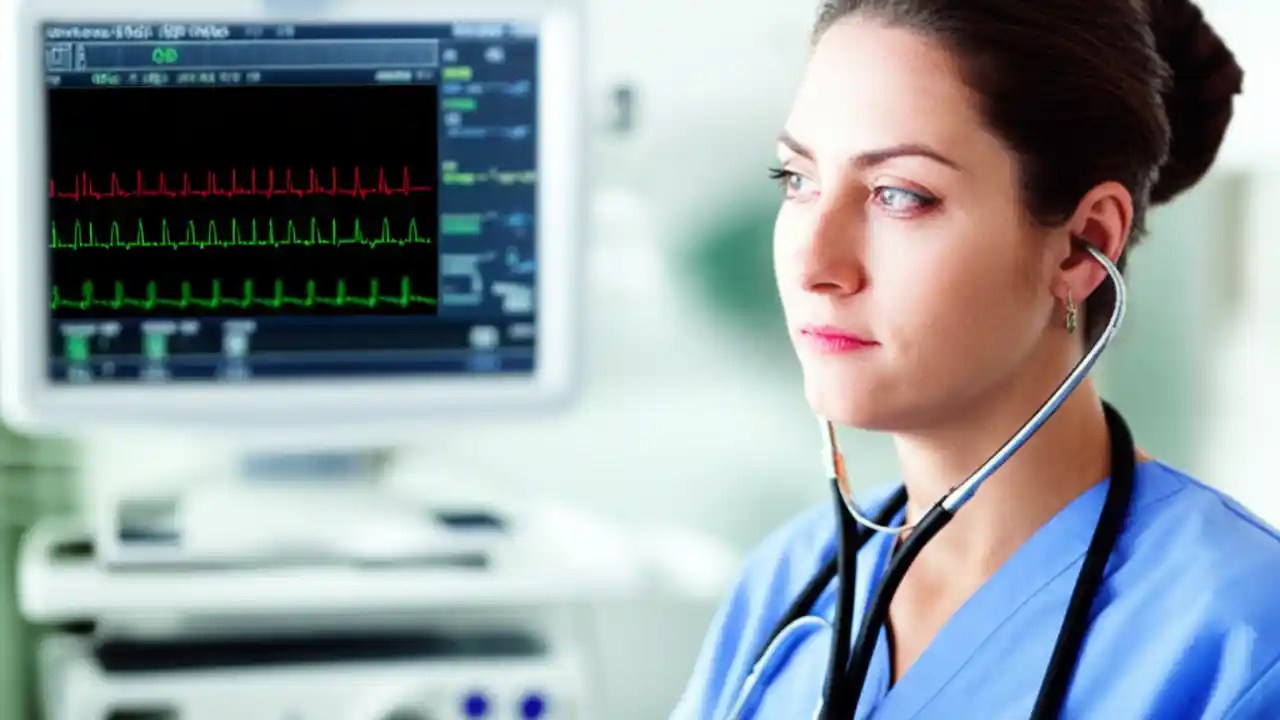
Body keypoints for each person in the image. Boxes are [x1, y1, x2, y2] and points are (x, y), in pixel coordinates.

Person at [671, 0, 1280, 718]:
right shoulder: (790, 581)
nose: (814, 264)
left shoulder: (1243, 635)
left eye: (899, 195)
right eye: (798, 180)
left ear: (1083, 243)